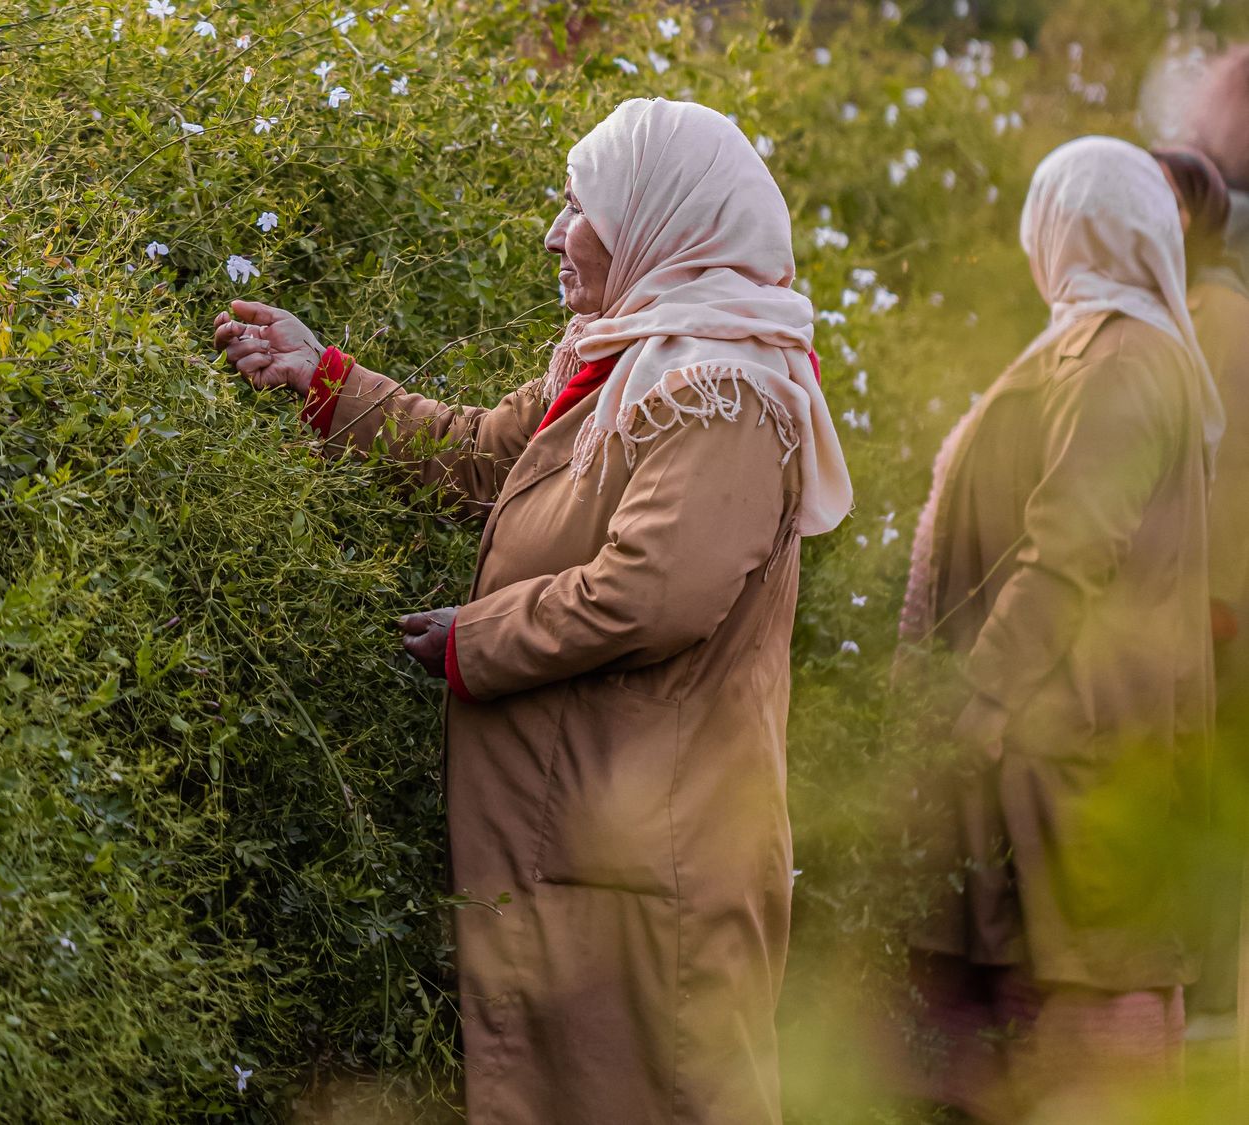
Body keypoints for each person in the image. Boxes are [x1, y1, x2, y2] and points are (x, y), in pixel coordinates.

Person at [212, 97, 853, 1124]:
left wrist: (477, 640)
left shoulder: (719, 391)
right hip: (590, 845)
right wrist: (324, 377)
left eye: (578, 206)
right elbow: (480, 452)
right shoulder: (626, 357)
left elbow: (654, 595)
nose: (557, 234)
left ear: (658, 214)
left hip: (655, 855)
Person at [897, 137, 1222, 1122]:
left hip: (1074, 755)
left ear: (1074, 225)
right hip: (1042, 755)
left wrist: (977, 701)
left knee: (1084, 1024)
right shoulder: (1087, 342)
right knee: (1018, 1029)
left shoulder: (1127, 356)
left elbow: (1070, 548)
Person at [1177, 49, 1249, 1041]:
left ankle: (1209, 993)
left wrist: (1221, 592)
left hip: (1218, 599)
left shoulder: (1222, 316)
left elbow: (1230, 470)